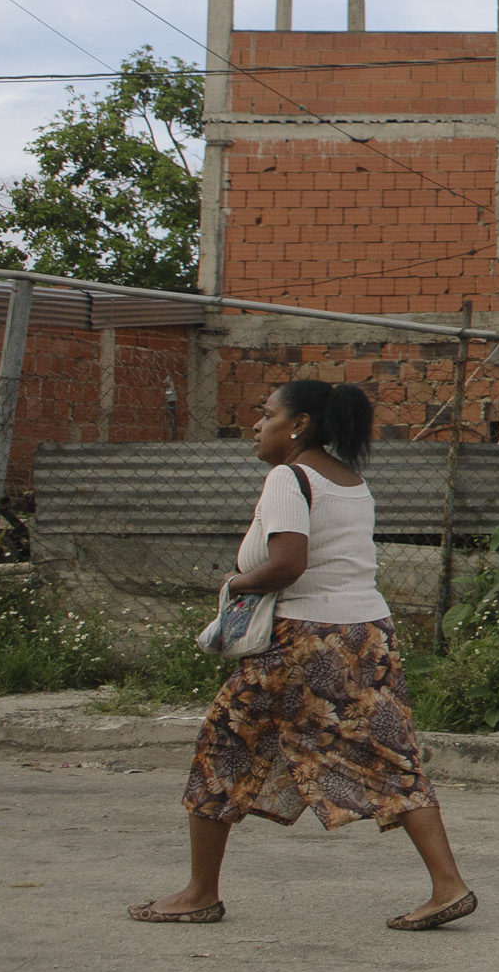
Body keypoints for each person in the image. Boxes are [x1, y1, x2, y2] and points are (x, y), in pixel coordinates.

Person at [128, 379, 476, 930]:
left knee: (222, 748)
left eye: (266, 415)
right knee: (390, 753)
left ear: (299, 425)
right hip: (365, 636)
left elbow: (289, 564)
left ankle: (200, 892)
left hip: (300, 642)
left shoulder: (287, 478)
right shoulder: (352, 482)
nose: (256, 425)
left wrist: (238, 583)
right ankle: (448, 884)